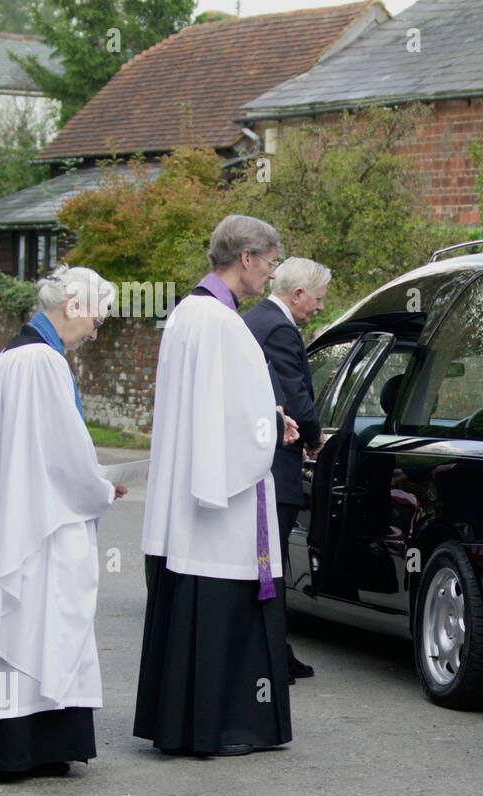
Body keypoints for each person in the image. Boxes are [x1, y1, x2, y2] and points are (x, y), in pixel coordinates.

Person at [0, 266, 124, 778]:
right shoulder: (45, 362)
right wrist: (105, 485)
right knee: (41, 619)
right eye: (96, 317)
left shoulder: (7, 358)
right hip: (42, 524)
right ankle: (31, 743)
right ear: (72, 305)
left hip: (15, 514)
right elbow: (66, 457)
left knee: (14, 622)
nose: (95, 331)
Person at [135, 214, 300, 757]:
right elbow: (236, 415)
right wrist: (273, 425)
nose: (270, 275)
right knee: (223, 605)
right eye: (270, 263)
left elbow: (214, 405)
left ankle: (184, 724)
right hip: (218, 508)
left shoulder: (187, 313)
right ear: (246, 258)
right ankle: (222, 726)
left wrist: (263, 416)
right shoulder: (222, 323)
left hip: (189, 493)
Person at [242, 257, 329, 684]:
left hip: (259, 461)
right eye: (317, 299)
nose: (319, 307)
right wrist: (315, 436)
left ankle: (275, 648)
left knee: (264, 563)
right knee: (268, 563)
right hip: (274, 467)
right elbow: (294, 394)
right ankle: (270, 656)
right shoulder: (277, 328)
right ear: (297, 295)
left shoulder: (255, 319)